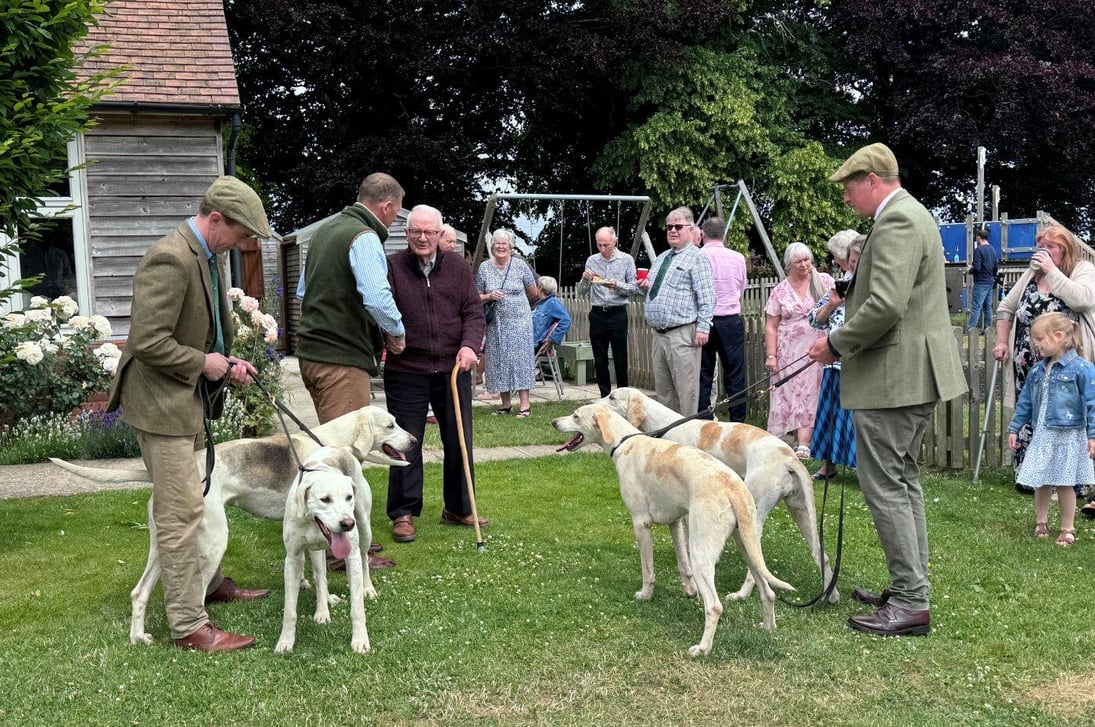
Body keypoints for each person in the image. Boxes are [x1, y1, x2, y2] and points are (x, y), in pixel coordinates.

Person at [107, 176, 272, 652]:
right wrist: (204, 363)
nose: (242, 246)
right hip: (161, 406)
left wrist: (226, 360)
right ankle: (188, 625)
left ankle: (211, 583)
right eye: (241, 236)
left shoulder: (207, 253)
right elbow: (147, 341)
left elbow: (203, 332)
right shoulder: (170, 257)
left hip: (186, 399)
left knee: (201, 496)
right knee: (180, 513)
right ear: (215, 218)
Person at [808, 142, 966, 637]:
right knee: (902, 482)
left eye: (849, 187)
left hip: (894, 376)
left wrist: (835, 342)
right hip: (908, 372)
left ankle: (911, 602)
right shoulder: (913, 215)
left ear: (873, 180)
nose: (846, 197)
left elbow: (884, 305)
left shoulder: (897, 220)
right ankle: (907, 590)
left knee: (886, 488)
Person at [295, 172, 406, 570]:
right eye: (395, 216)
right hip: (341, 360)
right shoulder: (364, 236)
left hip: (312, 355)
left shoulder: (325, 232)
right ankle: (344, 552)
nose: (392, 224)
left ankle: (339, 541)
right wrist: (396, 332)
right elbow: (376, 296)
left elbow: (303, 294)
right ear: (387, 206)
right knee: (345, 462)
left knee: (331, 453)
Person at [385, 205, 487, 543]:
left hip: (452, 368)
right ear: (407, 234)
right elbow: (380, 311)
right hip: (407, 370)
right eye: (416, 232)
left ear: (441, 234)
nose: (423, 238)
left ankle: (457, 507)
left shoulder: (457, 267)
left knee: (459, 439)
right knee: (405, 443)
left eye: (429, 232)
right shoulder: (393, 267)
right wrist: (388, 336)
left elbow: (474, 311)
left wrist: (471, 346)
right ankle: (403, 512)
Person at [993, 224, 1095, 494]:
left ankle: (1072, 479)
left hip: (1068, 362)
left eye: (1050, 246)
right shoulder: (1031, 274)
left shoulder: (1082, 270)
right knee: (1032, 412)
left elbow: (1082, 300)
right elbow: (1006, 307)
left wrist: (1052, 271)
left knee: (1066, 415)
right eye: (1041, 246)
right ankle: (1031, 476)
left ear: (1065, 248)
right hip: (1029, 361)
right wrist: (1002, 341)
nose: (1043, 251)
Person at [1007, 312, 1095, 547]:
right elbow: (1025, 401)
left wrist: (1093, 435)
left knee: (1066, 482)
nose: (1035, 345)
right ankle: (1041, 521)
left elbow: (1092, 403)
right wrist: (1015, 427)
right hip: (1043, 434)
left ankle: (1068, 527)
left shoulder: (1082, 369)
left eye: (1039, 339)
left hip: (1068, 434)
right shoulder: (1037, 370)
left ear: (1058, 337)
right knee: (1041, 480)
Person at [638, 207, 714, 416]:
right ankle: (669, 437)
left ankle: (687, 437)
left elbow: (707, 297)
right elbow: (653, 289)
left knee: (686, 391)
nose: (673, 230)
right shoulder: (662, 258)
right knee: (664, 392)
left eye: (678, 227)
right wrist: (643, 286)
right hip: (659, 334)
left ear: (691, 230)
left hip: (683, 333)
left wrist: (703, 328)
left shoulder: (698, 258)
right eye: (670, 227)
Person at [764, 242, 833, 459]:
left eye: (807, 259)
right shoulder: (779, 291)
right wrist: (771, 355)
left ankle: (806, 441)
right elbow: (771, 325)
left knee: (813, 393)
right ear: (788, 265)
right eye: (798, 261)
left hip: (819, 349)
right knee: (792, 394)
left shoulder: (824, 282)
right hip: (790, 353)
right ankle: (794, 437)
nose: (804, 265)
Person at [808, 231, 864, 479]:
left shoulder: (869, 285)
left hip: (858, 364)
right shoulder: (838, 284)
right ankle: (828, 466)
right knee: (829, 416)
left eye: (853, 261)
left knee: (855, 418)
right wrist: (832, 304)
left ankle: (861, 467)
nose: (835, 259)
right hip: (833, 364)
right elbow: (815, 320)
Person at [477, 228, 538, 417]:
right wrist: (489, 296)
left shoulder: (520, 266)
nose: (501, 246)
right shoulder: (484, 267)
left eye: (505, 243)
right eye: (497, 243)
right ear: (492, 246)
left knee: (521, 360)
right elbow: (476, 296)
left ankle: (525, 405)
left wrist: (516, 303)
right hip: (497, 323)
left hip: (520, 322)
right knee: (498, 360)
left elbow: (533, 292)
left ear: (511, 246)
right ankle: (505, 404)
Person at [696, 216, 748, 421]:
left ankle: (703, 419)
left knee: (704, 374)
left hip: (704, 321)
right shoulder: (738, 257)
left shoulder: (698, 256)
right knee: (735, 374)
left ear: (703, 235)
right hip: (730, 319)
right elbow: (741, 287)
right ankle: (738, 421)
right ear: (724, 234)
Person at [578, 226, 638, 397]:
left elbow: (634, 289)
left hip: (618, 312)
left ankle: (623, 395)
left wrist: (616, 285)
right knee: (600, 358)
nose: (602, 249)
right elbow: (581, 292)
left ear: (614, 242)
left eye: (606, 245)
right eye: (599, 245)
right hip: (597, 313)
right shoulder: (592, 260)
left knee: (620, 357)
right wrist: (585, 279)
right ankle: (604, 395)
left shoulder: (626, 260)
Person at [966, 227, 998, 332]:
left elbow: (977, 268)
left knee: (976, 306)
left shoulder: (978, 250)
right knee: (988, 307)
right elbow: (995, 267)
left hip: (980, 282)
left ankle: (971, 329)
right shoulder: (993, 250)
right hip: (990, 281)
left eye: (977, 238)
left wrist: (970, 270)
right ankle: (988, 329)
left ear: (979, 238)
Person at [531, 275, 571, 352]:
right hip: (529, 342)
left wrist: (552, 338)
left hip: (536, 345)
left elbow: (566, 320)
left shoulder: (553, 303)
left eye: (537, 286)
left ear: (540, 288)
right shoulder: (541, 304)